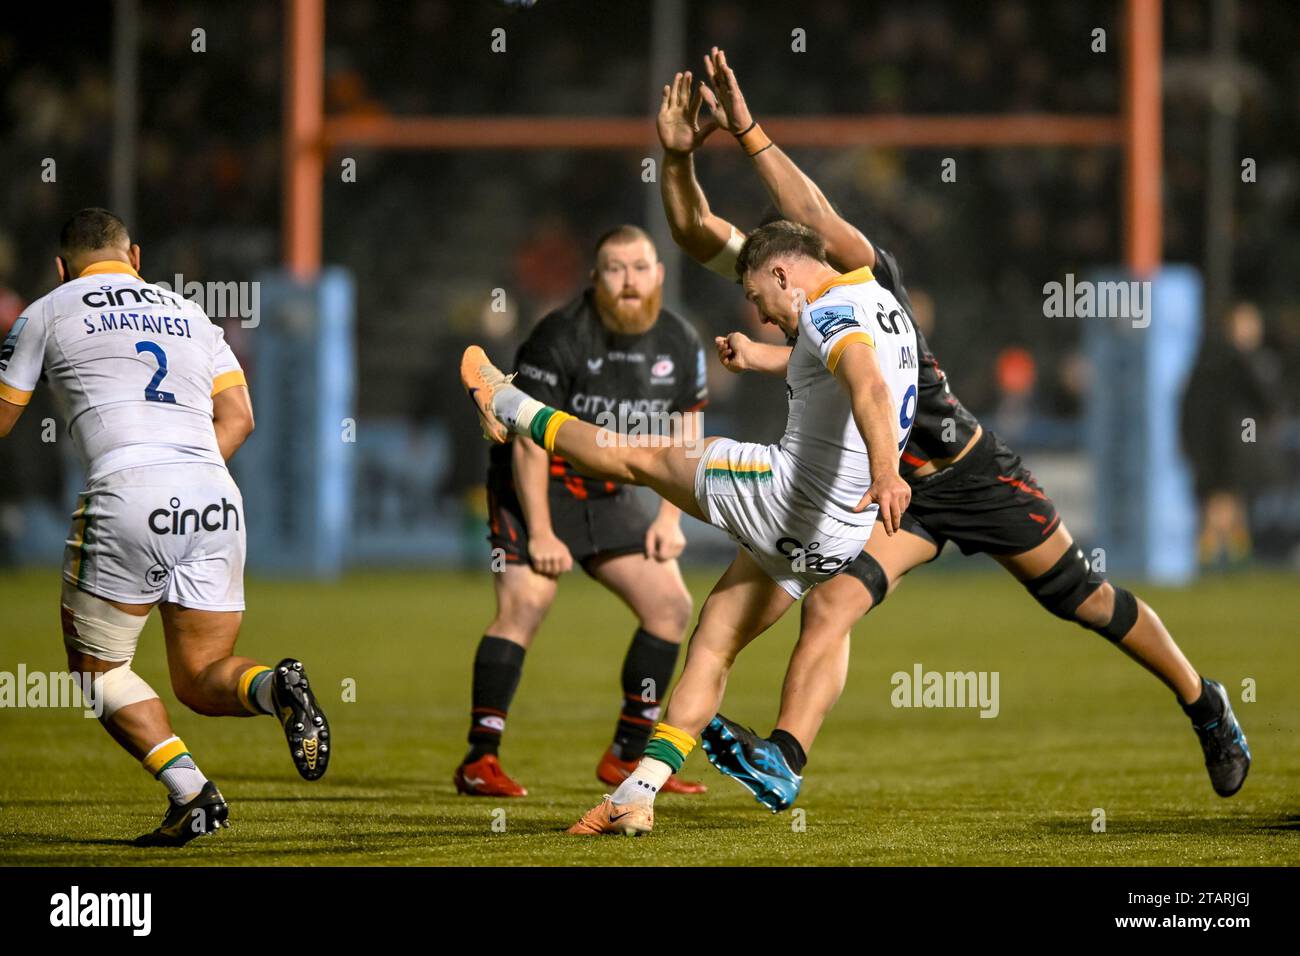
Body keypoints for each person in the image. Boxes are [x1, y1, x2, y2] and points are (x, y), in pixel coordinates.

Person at [654, 50, 1250, 811]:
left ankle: (1206, 704)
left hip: (966, 471)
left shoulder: (863, 279)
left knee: (1085, 599)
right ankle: (785, 758)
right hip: (892, 491)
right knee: (833, 602)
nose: (755, 300)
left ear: (791, 266)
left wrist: (748, 132)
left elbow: (825, 241)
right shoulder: (786, 290)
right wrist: (676, 158)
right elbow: (694, 229)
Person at [461, 218, 918, 835]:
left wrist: (888, 472)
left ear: (783, 275)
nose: (761, 314)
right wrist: (761, 359)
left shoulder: (825, 310)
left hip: (787, 495)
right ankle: (637, 793)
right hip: (837, 535)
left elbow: (864, 384)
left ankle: (505, 403)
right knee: (714, 639)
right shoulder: (880, 302)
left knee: (638, 456)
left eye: (758, 298)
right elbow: (842, 364)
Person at [0, 209, 330, 846]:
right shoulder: (192, 315)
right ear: (136, 258)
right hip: (214, 496)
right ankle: (277, 690)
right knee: (204, 676)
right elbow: (240, 416)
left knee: (98, 670)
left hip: (127, 490)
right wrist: (185, 480)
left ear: (61, 267)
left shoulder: (48, 308)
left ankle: (194, 795)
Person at [454, 225, 708, 797]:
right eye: (615, 268)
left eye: (640, 267)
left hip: (606, 488)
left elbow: (686, 431)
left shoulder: (680, 340)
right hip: (534, 486)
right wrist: (542, 532)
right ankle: (479, 759)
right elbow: (525, 437)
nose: (628, 280)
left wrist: (671, 519)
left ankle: (627, 755)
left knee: (670, 605)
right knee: (528, 602)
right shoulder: (560, 335)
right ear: (595, 278)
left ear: (659, 274)